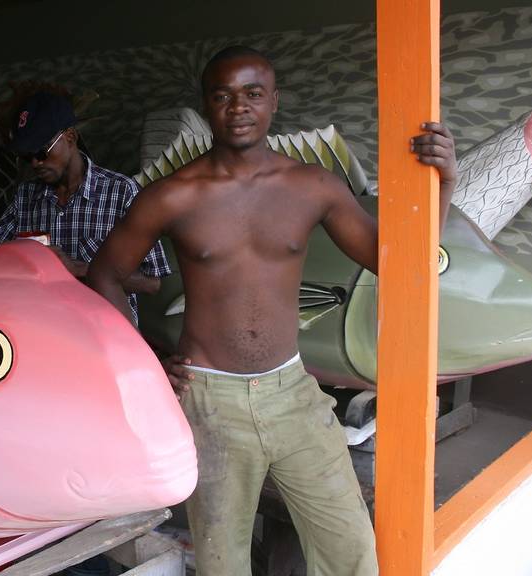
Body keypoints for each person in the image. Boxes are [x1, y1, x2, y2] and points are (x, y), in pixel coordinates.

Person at [86, 46, 457, 576]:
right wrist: (141, 363)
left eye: (253, 94)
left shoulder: (312, 186)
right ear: (207, 105)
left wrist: (445, 184)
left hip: (293, 394)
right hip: (209, 402)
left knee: (351, 549)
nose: (239, 107)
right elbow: (105, 274)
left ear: (274, 102)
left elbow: (395, 261)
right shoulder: (173, 196)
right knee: (222, 561)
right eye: (223, 95)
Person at [0, 91, 170, 327]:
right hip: (41, 334)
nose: (35, 163)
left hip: (106, 340)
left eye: (41, 152)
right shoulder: (25, 198)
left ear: (70, 137)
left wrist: (75, 268)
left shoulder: (121, 193)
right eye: (27, 156)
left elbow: (152, 282)